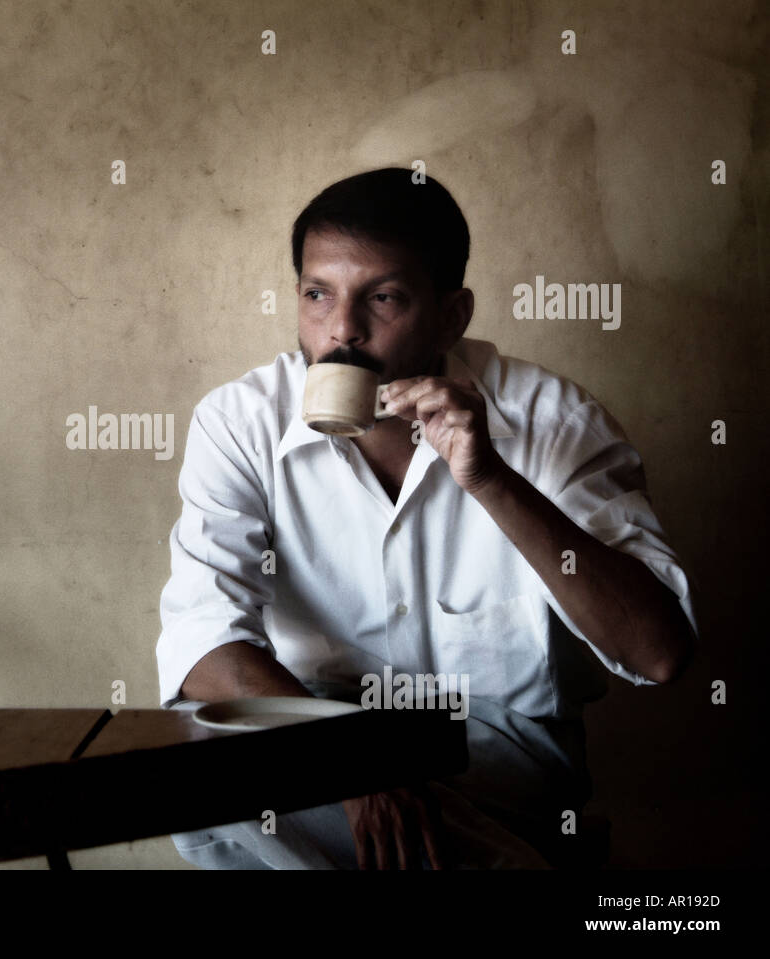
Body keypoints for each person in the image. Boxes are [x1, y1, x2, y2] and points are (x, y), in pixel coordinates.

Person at [155, 167, 698, 869]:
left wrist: (492, 479)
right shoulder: (238, 422)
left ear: (452, 315)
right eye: (317, 294)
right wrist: (349, 761)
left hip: (495, 755)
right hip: (313, 737)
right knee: (197, 776)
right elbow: (205, 643)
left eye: (382, 297)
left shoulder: (554, 421)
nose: (341, 329)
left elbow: (660, 651)